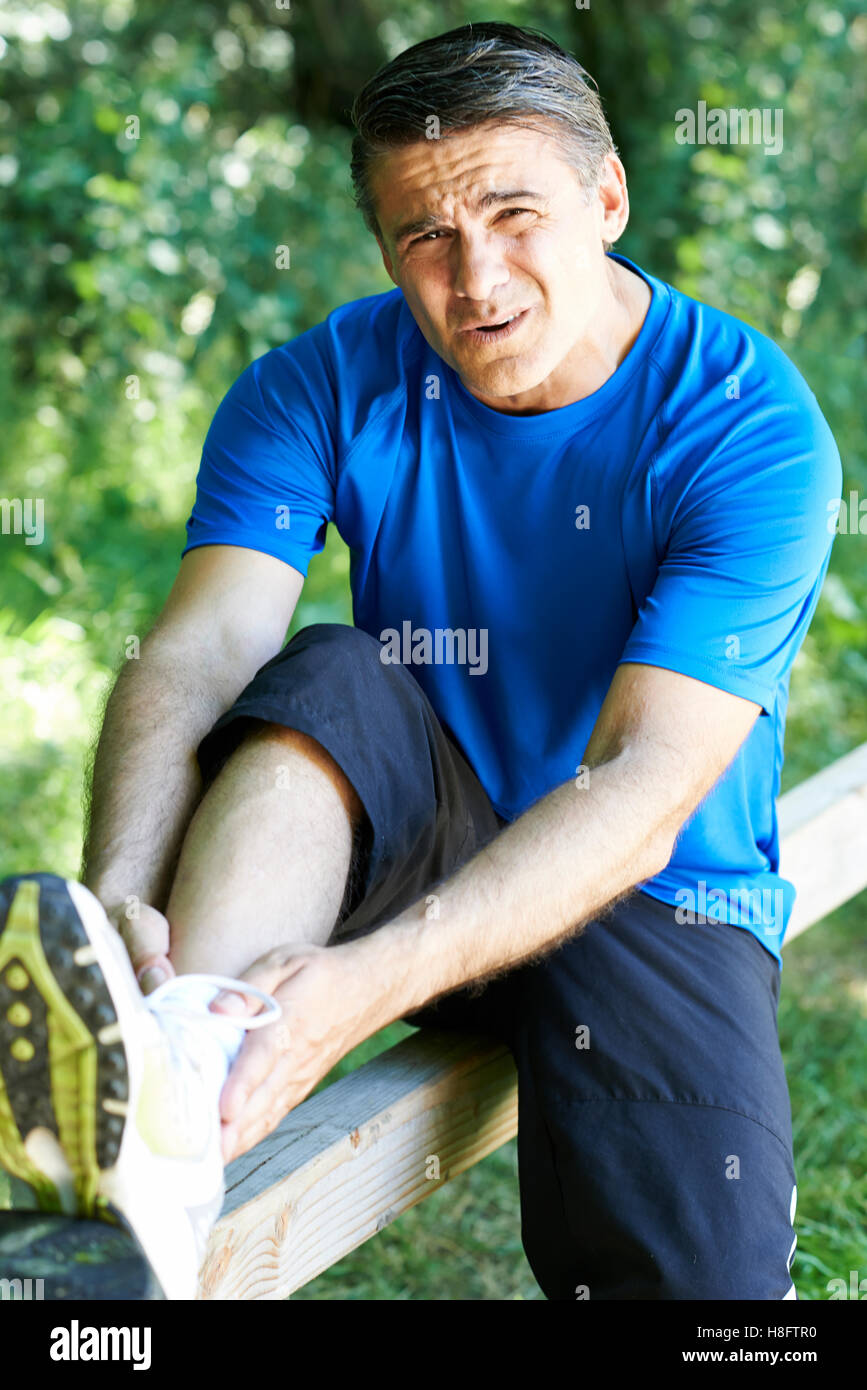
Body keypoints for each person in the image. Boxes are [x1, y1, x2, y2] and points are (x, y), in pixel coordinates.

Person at [0, 21, 841, 1300]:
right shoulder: (321, 383)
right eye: (425, 237)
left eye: (515, 214)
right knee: (330, 676)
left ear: (607, 197)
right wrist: (123, 910)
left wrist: (359, 990)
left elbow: (643, 783)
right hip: (417, 841)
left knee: (709, 1300)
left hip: (648, 882)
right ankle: (160, 1088)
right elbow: (203, 648)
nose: (477, 277)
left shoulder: (748, 428)